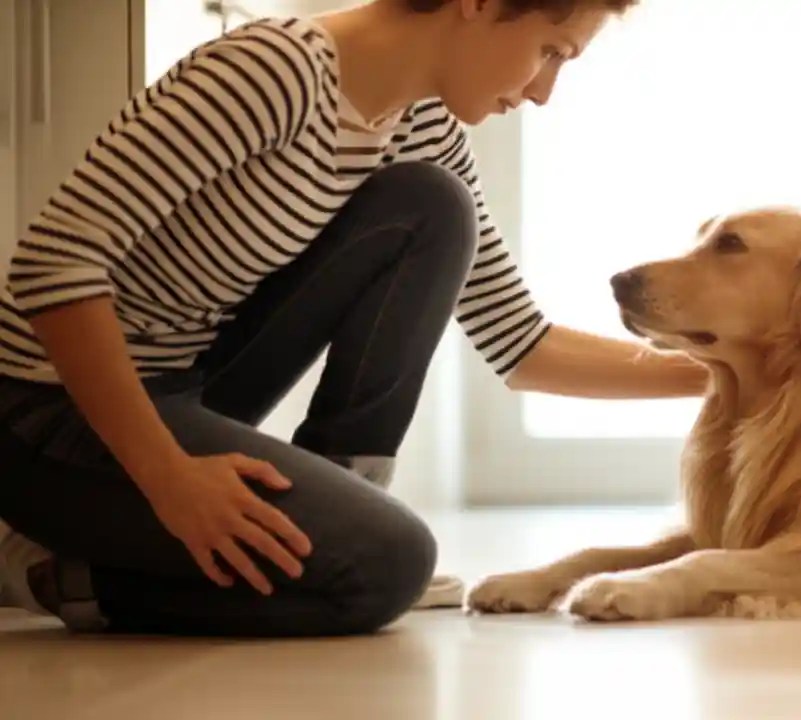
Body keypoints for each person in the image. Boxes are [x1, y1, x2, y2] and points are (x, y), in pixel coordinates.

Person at [0, 0, 706, 637]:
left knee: (430, 204)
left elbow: (522, 345)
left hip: (182, 376)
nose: (544, 91)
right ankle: (42, 571)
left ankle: (347, 512)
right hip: (40, 407)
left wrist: (738, 373)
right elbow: (52, 266)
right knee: (385, 570)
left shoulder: (420, 120)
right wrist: (169, 475)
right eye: (552, 50)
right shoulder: (269, 71)